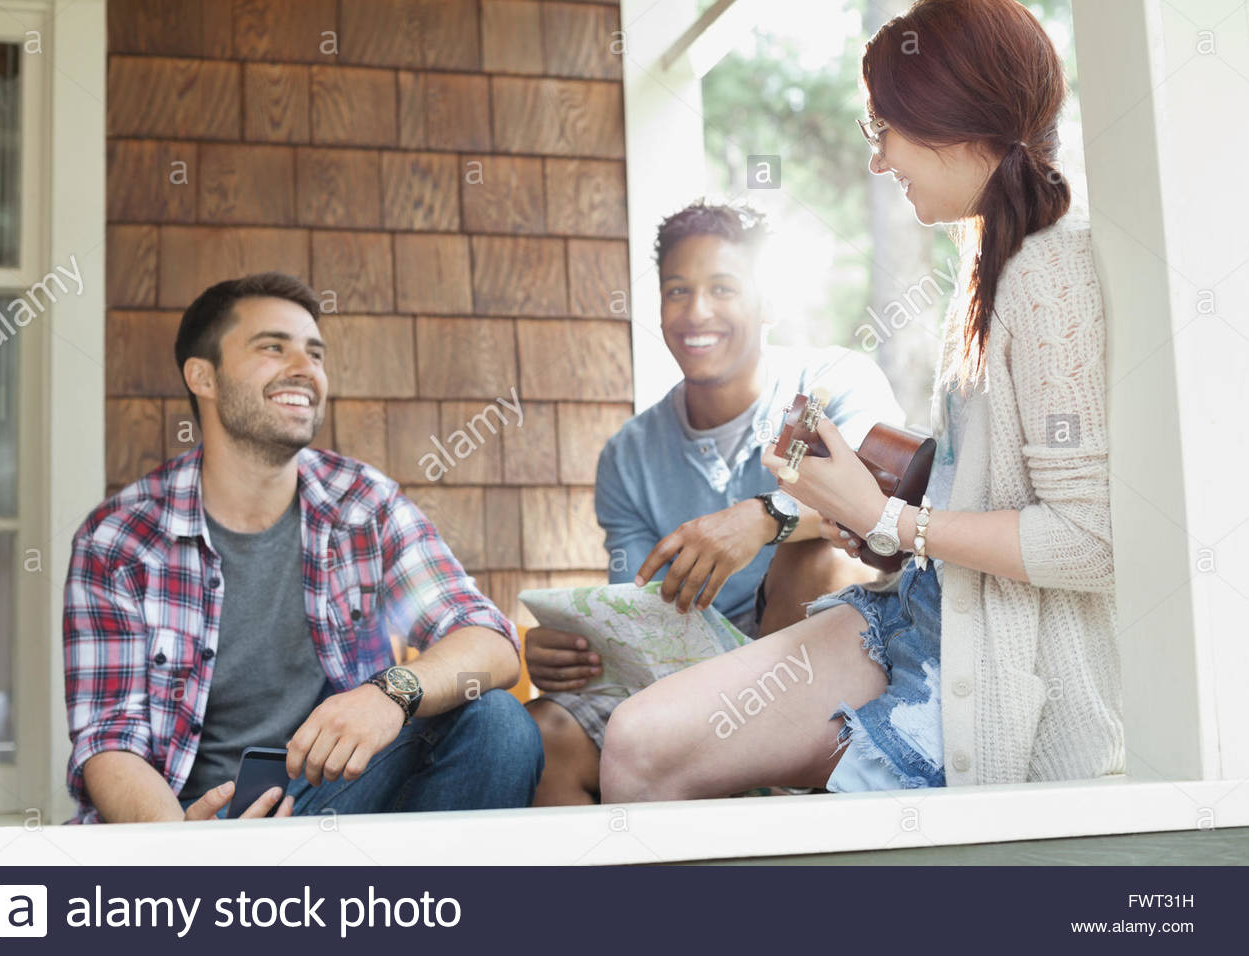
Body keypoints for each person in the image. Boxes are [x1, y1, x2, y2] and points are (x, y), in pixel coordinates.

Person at [600, 0, 1122, 801]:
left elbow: (1091, 539)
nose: (878, 161)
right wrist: (864, 503)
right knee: (637, 743)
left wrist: (887, 520)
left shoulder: (1051, 274)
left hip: (978, 650)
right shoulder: (991, 266)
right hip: (920, 611)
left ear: (951, 118)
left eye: (885, 131)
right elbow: (979, 495)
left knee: (648, 753)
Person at [63, 272, 542, 824]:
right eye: (273, 347)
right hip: (193, 825)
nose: (305, 369)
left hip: (330, 804)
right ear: (203, 376)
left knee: (497, 721)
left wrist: (391, 692)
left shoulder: (363, 504)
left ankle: (430, 911)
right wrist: (184, 853)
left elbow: (488, 641)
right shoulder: (118, 538)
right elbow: (109, 739)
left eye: (315, 353)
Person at [525, 201, 906, 805]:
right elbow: (638, 603)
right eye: (678, 291)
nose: (696, 311)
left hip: (822, 660)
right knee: (544, 732)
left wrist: (765, 517)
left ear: (766, 302)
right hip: (690, 667)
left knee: (813, 560)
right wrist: (575, 650)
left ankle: (775, 790)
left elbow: (883, 503)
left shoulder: (837, 379)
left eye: (722, 288)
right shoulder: (628, 455)